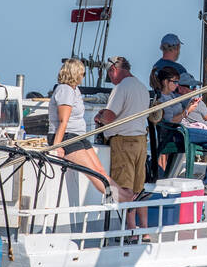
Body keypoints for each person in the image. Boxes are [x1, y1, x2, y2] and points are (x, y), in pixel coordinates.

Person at [48, 58, 129, 201]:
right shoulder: (65, 90)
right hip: (67, 138)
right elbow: (63, 121)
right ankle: (123, 199)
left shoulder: (74, 90)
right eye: (82, 73)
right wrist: (57, 146)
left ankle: (127, 197)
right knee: (94, 174)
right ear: (74, 73)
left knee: (101, 171)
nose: (83, 77)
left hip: (78, 136)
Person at [93, 56, 149, 234]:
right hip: (141, 141)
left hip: (123, 141)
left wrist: (99, 117)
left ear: (113, 70)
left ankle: (131, 231)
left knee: (124, 188)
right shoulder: (142, 87)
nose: (111, 79)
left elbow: (109, 117)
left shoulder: (121, 87)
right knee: (139, 189)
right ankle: (144, 231)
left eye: (110, 75)